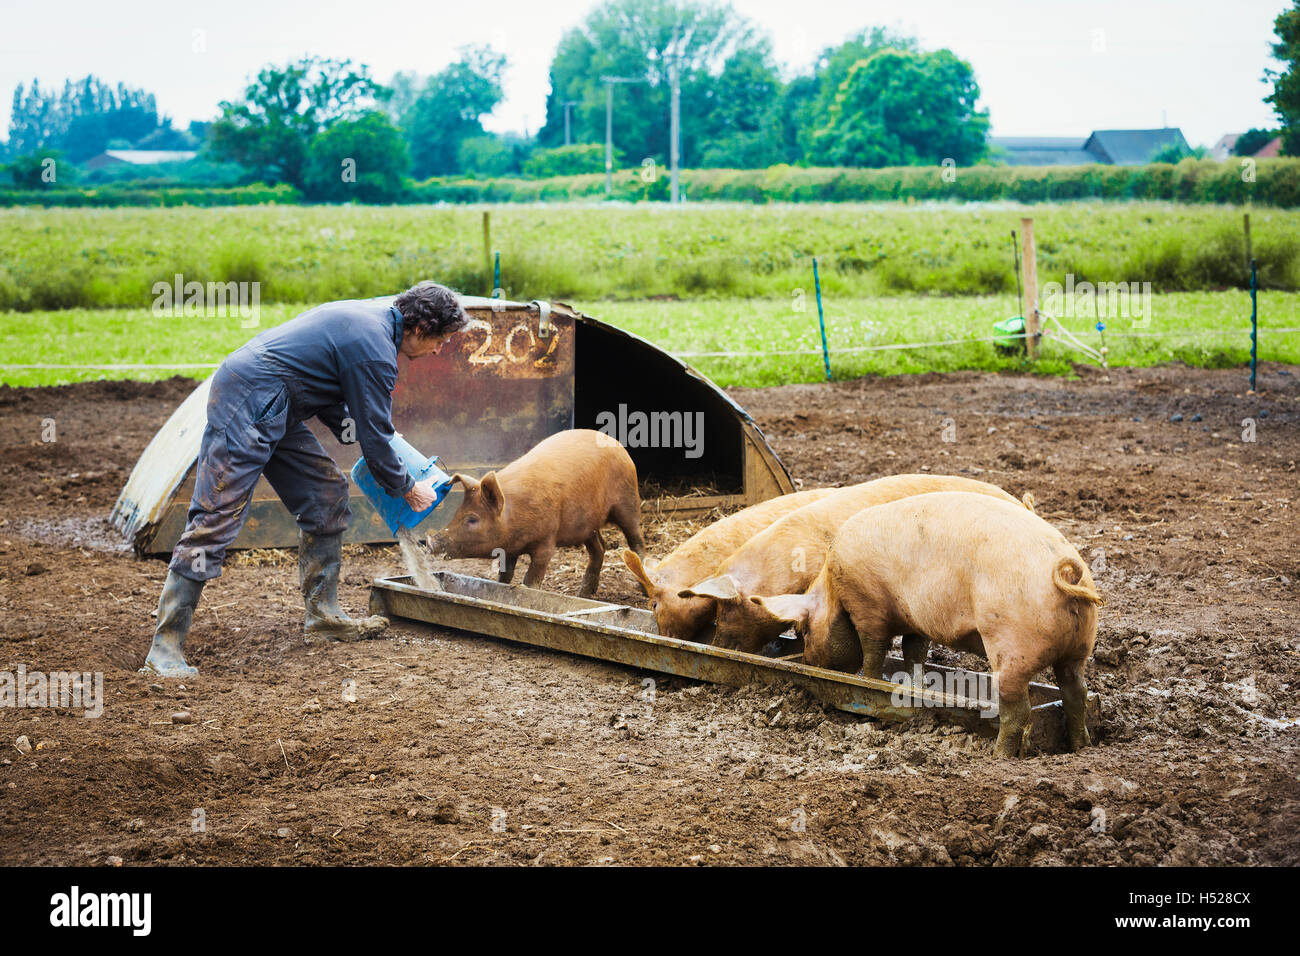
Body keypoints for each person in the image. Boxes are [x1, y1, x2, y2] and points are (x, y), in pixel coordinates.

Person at [140, 282, 470, 677]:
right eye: (441, 339)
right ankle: (165, 650)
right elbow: (375, 436)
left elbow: (341, 401)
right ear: (420, 328)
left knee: (325, 494)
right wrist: (405, 486)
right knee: (217, 516)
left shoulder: (373, 320)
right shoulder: (377, 352)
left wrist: (373, 438)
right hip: (250, 397)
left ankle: (324, 618)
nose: (440, 349)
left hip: (278, 400)